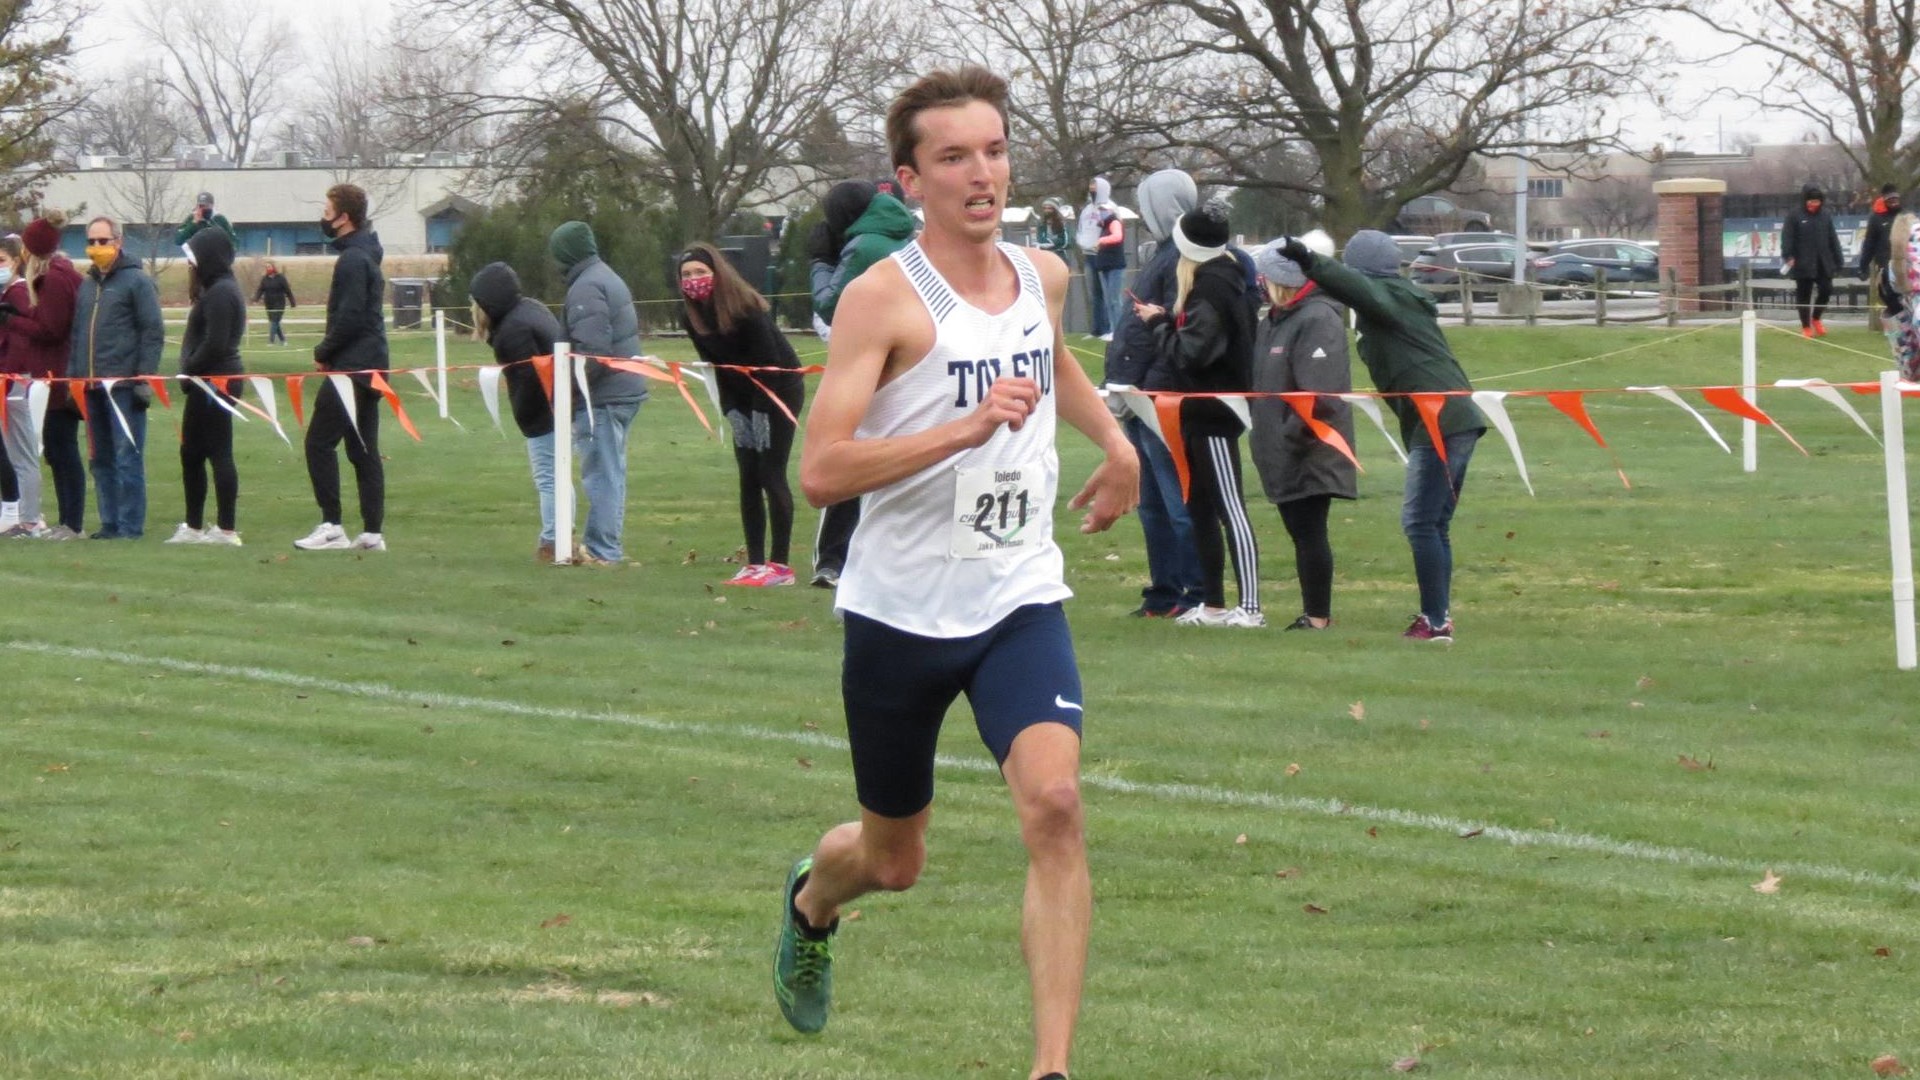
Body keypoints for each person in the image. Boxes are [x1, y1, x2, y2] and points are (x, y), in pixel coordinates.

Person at [775, 66, 1138, 1080]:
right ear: (908, 180)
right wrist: (961, 428)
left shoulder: (1043, 276)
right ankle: (812, 898)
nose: (982, 174)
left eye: (994, 150)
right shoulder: (881, 302)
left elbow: (1051, 357)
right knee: (894, 862)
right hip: (899, 614)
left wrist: (1117, 443)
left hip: (1016, 594)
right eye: (954, 157)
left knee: (1056, 806)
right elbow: (820, 471)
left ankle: (1052, 1068)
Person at [1280, 229, 1486, 642]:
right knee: (1433, 523)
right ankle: (1437, 616)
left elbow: (1359, 289)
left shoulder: (1386, 297)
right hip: (1449, 420)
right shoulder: (1394, 300)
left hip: (1440, 420)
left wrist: (1309, 260)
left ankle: (1436, 622)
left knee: (1421, 522)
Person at [1135, 201, 1263, 628]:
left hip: (1213, 413)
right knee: (1201, 508)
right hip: (1193, 410)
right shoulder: (1215, 282)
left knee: (1230, 507)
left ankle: (1251, 606)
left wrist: (1158, 325)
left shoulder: (1215, 287)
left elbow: (1191, 354)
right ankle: (1213, 604)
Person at [1103, 167, 1207, 618]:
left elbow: (1174, 330)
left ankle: (1195, 590)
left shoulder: (1187, 256)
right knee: (1151, 504)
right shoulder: (1163, 253)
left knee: (1177, 500)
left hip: (1159, 397)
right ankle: (1164, 590)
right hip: (1136, 393)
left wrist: (1148, 386)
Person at [809, 179, 918, 587]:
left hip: (872, 365)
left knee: (844, 458)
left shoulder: (866, 245)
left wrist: (820, 261)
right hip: (913, 363)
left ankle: (833, 560)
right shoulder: (905, 235)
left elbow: (831, 304)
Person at [680, 242, 805, 587]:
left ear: (717, 274)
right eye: (687, 274)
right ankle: (753, 563)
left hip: (778, 390)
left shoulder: (745, 308)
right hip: (741, 396)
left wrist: (762, 413)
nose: (694, 280)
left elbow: (770, 364)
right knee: (747, 474)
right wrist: (733, 410)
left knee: (770, 472)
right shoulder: (691, 317)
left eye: (700, 272)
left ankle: (780, 566)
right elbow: (718, 368)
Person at [1248, 242, 1357, 631]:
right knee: (1300, 532)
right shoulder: (1273, 321)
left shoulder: (1318, 319)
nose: (1258, 282)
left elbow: (1319, 394)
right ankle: (1313, 612)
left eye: (1264, 275)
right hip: (1278, 448)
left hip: (1309, 449)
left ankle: (1318, 616)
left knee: (1310, 531)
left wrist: (1288, 436)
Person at [293, 183, 391, 552]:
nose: (323, 216)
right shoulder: (365, 253)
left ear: (343, 217)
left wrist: (323, 351)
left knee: (319, 442)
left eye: (326, 209)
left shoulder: (352, 259)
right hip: (371, 365)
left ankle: (331, 525)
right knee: (362, 448)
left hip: (352, 366)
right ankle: (372, 533)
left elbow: (349, 318)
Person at [549, 220, 646, 566]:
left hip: (603, 396)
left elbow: (593, 352)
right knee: (611, 471)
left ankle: (603, 550)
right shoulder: (604, 276)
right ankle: (606, 545)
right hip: (622, 389)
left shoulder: (586, 287)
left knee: (601, 474)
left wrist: (570, 394)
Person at [68, 215, 164, 540]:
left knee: (127, 456)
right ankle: (109, 522)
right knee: (100, 458)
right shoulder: (87, 284)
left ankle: (130, 525)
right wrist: (74, 378)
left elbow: (152, 332)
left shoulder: (137, 281)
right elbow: (79, 333)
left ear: (117, 242)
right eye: (91, 242)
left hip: (123, 386)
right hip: (91, 385)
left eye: (102, 241)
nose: (97, 247)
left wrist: (143, 378)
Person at [469, 261, 561, 561]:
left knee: (549, 478)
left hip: (546, 414)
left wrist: (531, 422)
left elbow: (528, 383)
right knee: (557, 476)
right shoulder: (531, 309)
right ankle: (560, 535)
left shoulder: (512, 331)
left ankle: (552, 541)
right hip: (559, 406)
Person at [165, 226, 247, 546]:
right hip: (205, 381)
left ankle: (226, 530)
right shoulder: (215, 290)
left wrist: (189, 368)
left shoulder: (222, 293)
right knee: (192, 453)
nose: (190, 265)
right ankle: (195, 526)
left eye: (194, 258)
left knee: (218, 452)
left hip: (216, 381)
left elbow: (216, 343)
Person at [8, 216, 83, 539]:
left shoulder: (53, 279)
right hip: (56, 372)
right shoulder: (62, 275)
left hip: (56, 374)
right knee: (57, 448)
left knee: (61, 448)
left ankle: (71, 522)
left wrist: (14, 322)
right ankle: (68, 520)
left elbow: (50, 330)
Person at [1782, 182, 1843, 338]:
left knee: (1826, 289)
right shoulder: (1794, 215)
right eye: (1811, 201)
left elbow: (1832, 238)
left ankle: (1816, 318)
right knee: (1804, 295)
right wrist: (1788, 255)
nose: (1814, 204)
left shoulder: (1825, 215)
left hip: (1823, 261)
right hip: (1802, 262)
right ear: (1805, 200)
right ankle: (1806, 326)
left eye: (1817, 201)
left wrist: (1838, 259)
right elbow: (1787, 237)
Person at [1076, 176, 1127, 339]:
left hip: (1105, 255)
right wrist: (1083, 242)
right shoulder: (1087, 209)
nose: (1092, 190)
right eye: (1090, 186)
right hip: (1090, 254)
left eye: (1095, 187)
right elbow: (1083, 229)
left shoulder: (1110, 208)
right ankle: (1098, 329)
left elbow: (1116, 233)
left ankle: (1114, 329)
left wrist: (1101, 241)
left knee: (1111, 297)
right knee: (1096, 294)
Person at [253, 261, 296, 345]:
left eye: (269, 266)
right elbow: (260, 290)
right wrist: (255, 299)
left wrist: (292, 302)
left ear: (273, 267)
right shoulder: (264, 279)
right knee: (274, 322)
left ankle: (271, 341)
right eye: (267, 267)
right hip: (269, 304)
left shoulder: (281, 278)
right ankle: (283, 341)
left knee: (275, 321)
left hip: (279, 303)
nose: (268, 268)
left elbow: (288, 290)